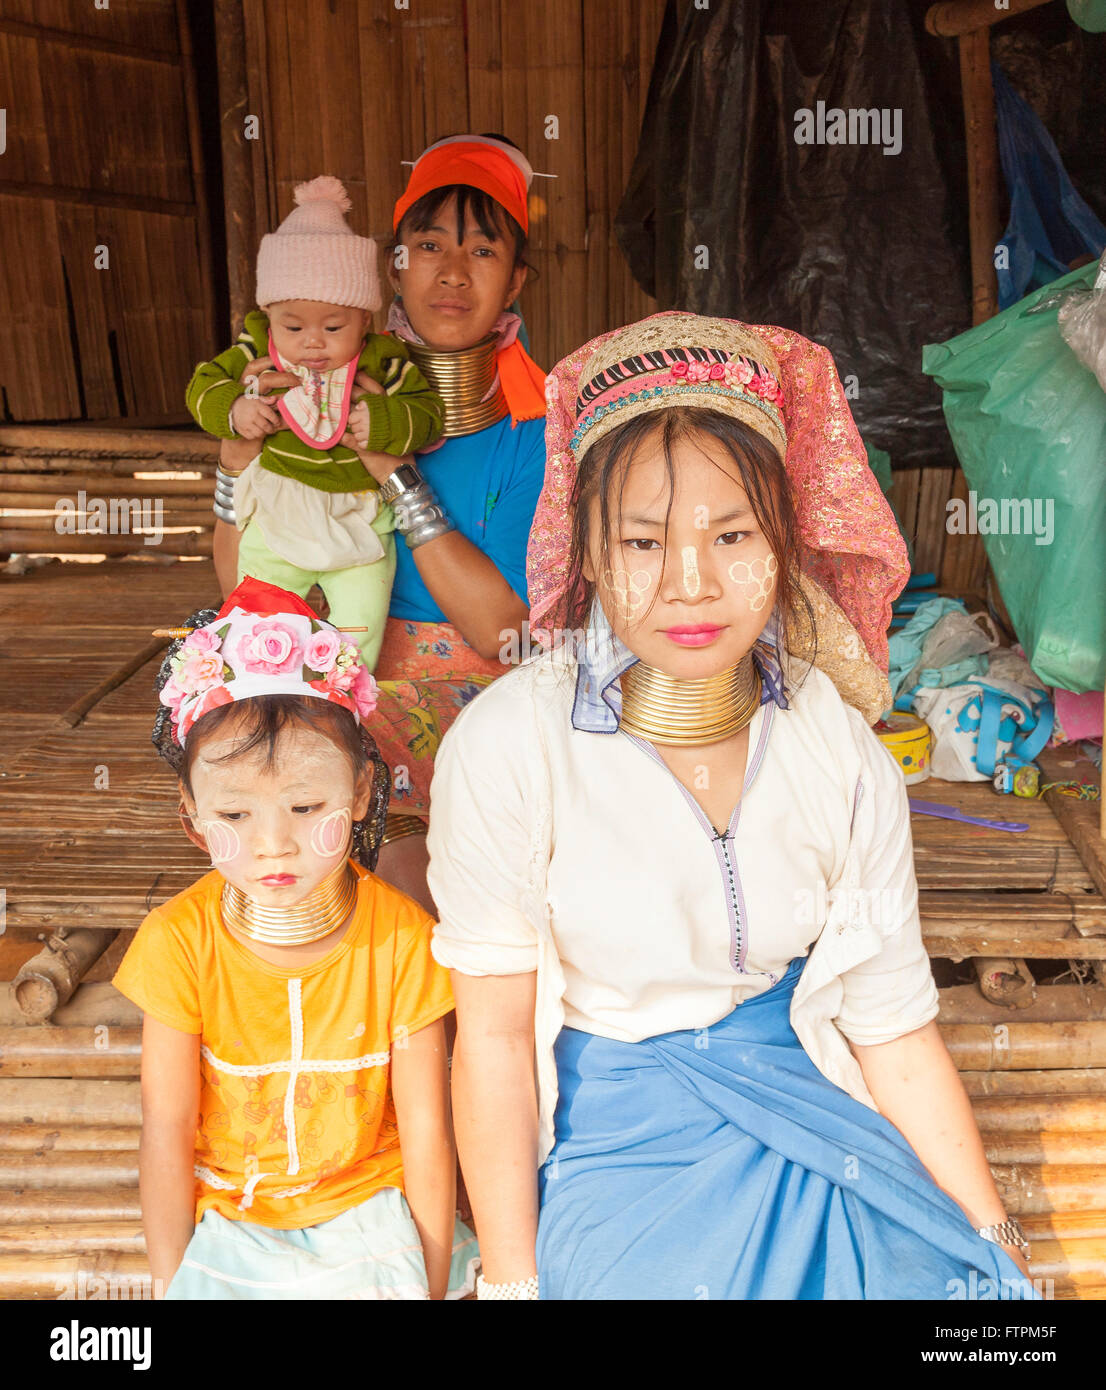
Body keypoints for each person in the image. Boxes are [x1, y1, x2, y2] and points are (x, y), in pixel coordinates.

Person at [425, 312, 1039, 1300]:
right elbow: (492, 1039)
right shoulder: (508, 747)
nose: (689, 581)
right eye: (640, 538)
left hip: (803, 1096)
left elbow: (888, 1025)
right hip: (613, 1135)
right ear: (584, 545)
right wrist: (510, 1281)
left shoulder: (835, 748)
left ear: (782, 537)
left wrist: (996, 1238)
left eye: (730, 534)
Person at [112, 577, 477, 1299]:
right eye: (236, 816)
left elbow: (429, 1133)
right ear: (191, 816)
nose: (273, 845)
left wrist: (432, 1284)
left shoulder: (402, 941)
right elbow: (167, 1128)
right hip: (234, 1226)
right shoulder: (177, 944)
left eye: (307, 805)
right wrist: (173, 1282)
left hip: (378, 1215)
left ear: (364, 793)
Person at [190, 176, 445, 668]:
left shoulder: (383, 360)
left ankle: (346, 698)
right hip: (278, 507)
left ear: (365, 321)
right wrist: (234, 409)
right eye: (293, 327)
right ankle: (262, 690)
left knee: (358, 631)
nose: (312, 342)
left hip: (359, 519)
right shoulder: (254, 349)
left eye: (333, 327)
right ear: (268, 314)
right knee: (256, 622)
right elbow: (203, 385)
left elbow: (428, 414)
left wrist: (387, 421)